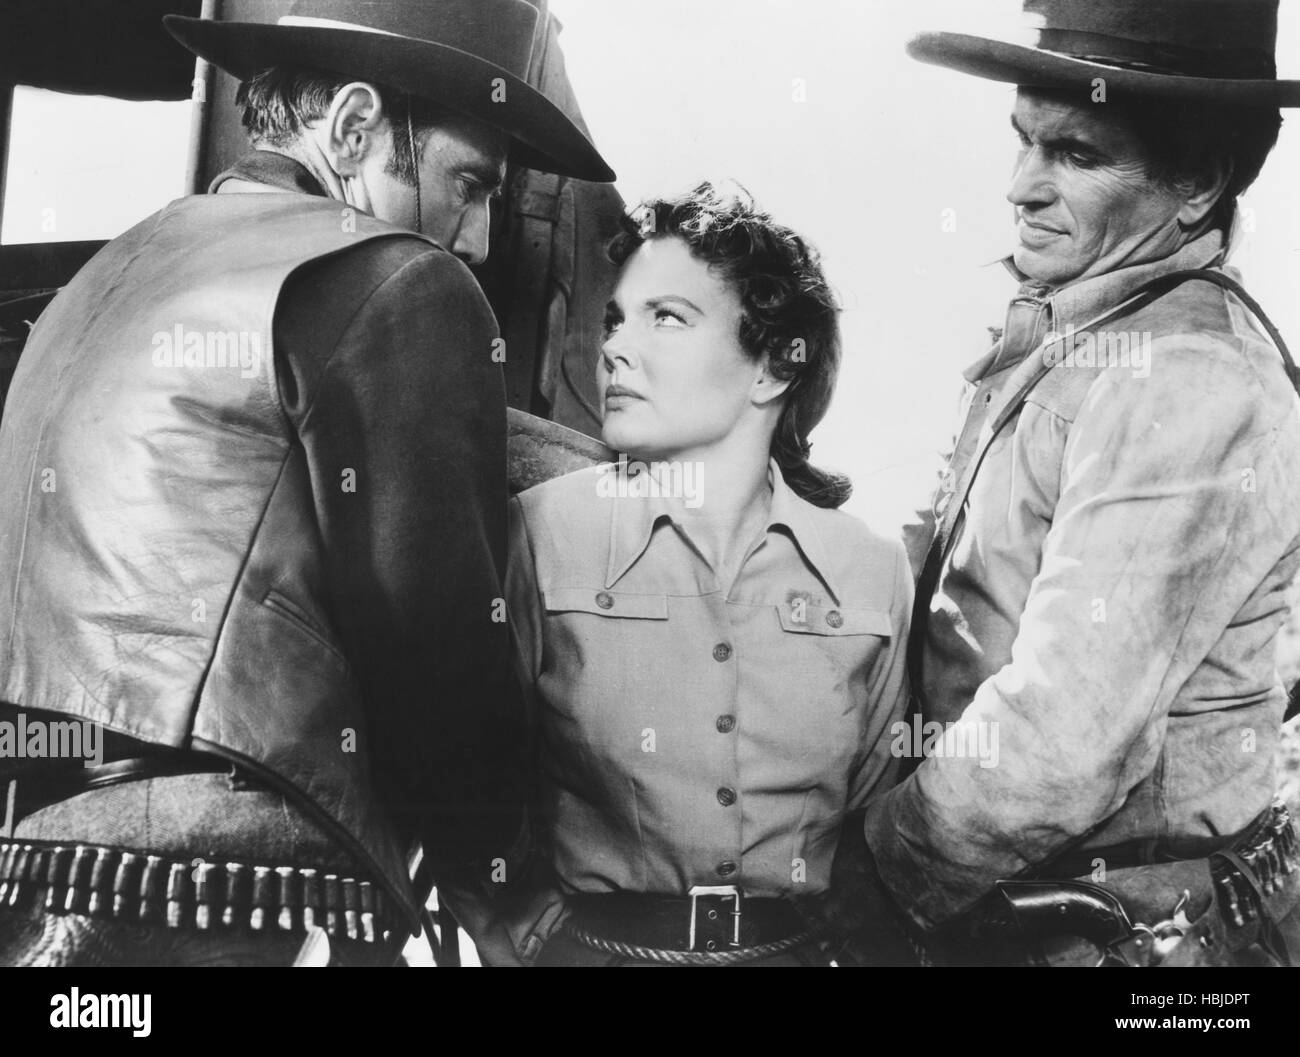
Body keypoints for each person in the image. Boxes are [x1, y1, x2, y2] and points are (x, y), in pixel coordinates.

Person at [0, 0, 614, 967]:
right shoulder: (397, 280)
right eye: (470, 182)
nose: (482, 238)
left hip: (40, 870)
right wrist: (498, 868)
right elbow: (438, 650)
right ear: (357, 128)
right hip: (236, 888)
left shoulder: (104, 276)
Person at [857, 0, 1300, 966]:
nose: (1021, 186)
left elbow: (1062, 739)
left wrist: (870, 877)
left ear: (1198, 180)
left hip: (1123, 941)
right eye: (1023, 140)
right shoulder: (1091, 339)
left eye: (1077, 154)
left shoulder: (1187, 376)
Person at [499, 183, 913, 966]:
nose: (616, 346)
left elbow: (873, 819)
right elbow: (466, 767)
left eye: (668, 318)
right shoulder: (541, 532)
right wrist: (517, 931)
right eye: (616, 319)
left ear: (771, 367)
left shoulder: (871, 571)